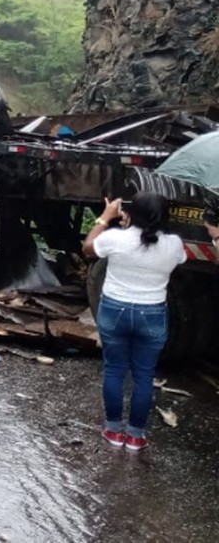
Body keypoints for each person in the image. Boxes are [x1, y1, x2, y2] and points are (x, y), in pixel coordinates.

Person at [83, 191, 185, 451]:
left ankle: (114, 431)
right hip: (151, 314)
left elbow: (88, 247)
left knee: (115, 369)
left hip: (114, 310)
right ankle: (136, 436)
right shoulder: (174, 244)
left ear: (130, 214)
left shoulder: (115, 239)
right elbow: (178, 258)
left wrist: (105, 218)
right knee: (144, 375)